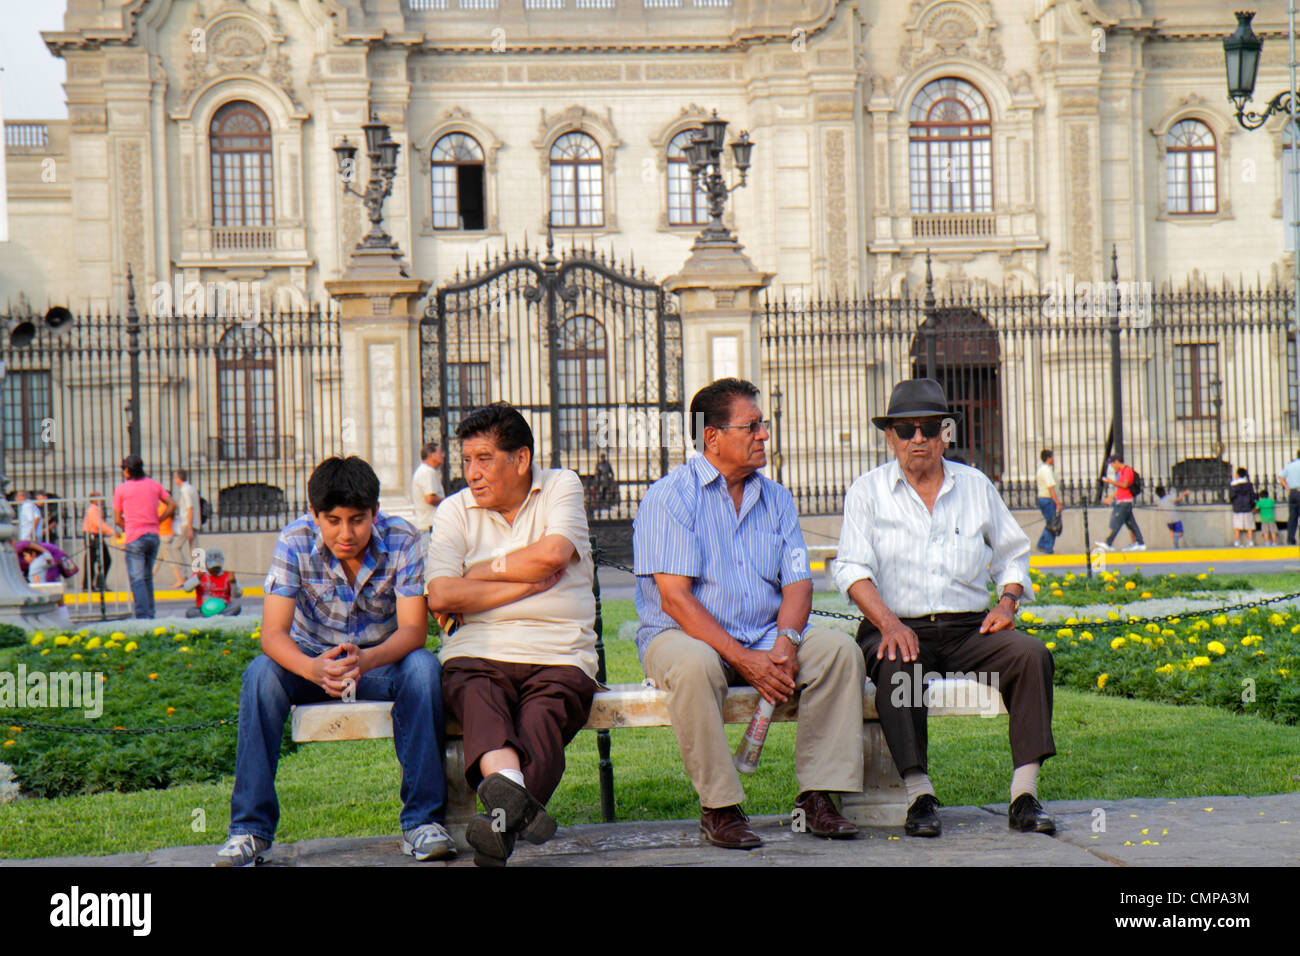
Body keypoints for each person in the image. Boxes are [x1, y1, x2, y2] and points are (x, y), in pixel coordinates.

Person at [634, 378, 865, 850]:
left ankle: (817, 798)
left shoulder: (776, 498)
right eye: (752, 426)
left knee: (839, 651)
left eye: (764, 425)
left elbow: (798, 584)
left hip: (763, 635)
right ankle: (720, 809)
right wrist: (744, 659)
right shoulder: (670, 496)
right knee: (695, 665)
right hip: (683, 636)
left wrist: (785, 644)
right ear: (712, 437)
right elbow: (675, 599)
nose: (764, 435)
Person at [835, 377, 1055, 838]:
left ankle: (1025, 795)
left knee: (1031, 657)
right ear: (890, 436)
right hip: (894, 624)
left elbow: (1013, 553)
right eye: (907, 429)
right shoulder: (867, 492)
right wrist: (890, 624)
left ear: (945, 434)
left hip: (970, 630)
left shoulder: (976, 486)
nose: (918, 438)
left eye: (929, 428)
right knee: (898, 671)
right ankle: (920, 795)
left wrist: (1009, 600)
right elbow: (852, 569)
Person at [215, 455, 451, 866]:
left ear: (375, 513)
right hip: (311, 663)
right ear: (314, 515)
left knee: (424, 668)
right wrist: (311, 668)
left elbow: (414, 631)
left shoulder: (404, 538)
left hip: (380, 661)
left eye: (358, 519)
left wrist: (368, 659)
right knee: (260, 675)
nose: (346, 533)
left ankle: (423, 823)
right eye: (334, 520)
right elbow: (272, 635)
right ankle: (249, 831)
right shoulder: (293, 540)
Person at [425, 403, 599, 867]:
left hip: (560, 652)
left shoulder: (560, 485)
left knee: (544, 714)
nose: (472, 473)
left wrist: (480, 573)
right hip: (479, 652)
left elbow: (554, 554)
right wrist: (524, 584)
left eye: (484, 458)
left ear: (520, 460)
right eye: (466, 461)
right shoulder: (453, 511)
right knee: (479, 695)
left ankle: (500, 820)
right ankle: (510, 816)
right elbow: (441, 595)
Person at [112, 456, 174, 619]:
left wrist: (129, 529)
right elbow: (172, 504)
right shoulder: (154, 485)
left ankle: (142, 615)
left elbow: (117, 519)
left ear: (127, 471)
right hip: (153, 535)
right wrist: (158, 520)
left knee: (137, 578)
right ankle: (150, 612)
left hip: (135, 537)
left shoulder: (121, 489)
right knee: (147, 577)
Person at [1097, 453, 1145, 552]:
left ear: (1117, 462)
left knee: (1117, 523)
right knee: (1132, 524)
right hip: (1122, 501)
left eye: (1112, 464)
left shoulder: (1127, 471)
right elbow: (1120, 489)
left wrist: (1111, 482)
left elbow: (1124, 485)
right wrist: (1110, 497)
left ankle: (1108, 543)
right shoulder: (1122, 472)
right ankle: (1140, 543)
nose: (1112, 467)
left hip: (1124, 502)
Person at [162, 469, 200, 588]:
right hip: (194, 523)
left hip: (187, 523)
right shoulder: (191, 488)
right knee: (194, 549)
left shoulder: (185, 490)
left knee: (175, 547)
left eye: (175, 478)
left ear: (179, 478)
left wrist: (188, 527)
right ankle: (198, 575)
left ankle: (182, 576)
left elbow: (190, 508)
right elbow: (185, 505)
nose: (174, 480)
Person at [183, 546, 242, 617]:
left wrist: (233, 583)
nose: (215, 571)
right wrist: (197, 578)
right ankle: (210, 617)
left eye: (217, 568)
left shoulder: (228, 575)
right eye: (212, 568)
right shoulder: (200, 574)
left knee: (236, 606)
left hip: (223, 607)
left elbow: (237, 595)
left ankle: (220, 617)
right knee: (191, 612)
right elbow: (186, 588)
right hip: (204, 608)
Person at [410, 443, 445, 543]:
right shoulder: (428, 472)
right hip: (430, 526)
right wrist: (448, 501)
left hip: (426, 524)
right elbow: (430, 499)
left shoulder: (423, 471)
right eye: (439, 453)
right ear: (431, 455)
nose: (442, 455)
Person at [82, 491, 115, 591]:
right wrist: (112, 532)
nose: (101, 499)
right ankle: (89, 584)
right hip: (92, 536)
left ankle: (98, 583)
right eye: (99, 497)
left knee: (103, 560)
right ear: (94, 500)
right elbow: (98, 523)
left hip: (97, 536)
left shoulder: (97, 510)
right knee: (92, 560)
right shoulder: (92, 510)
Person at [1035, 449, 1062, 554]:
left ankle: (1042, 545)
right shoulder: (1046, 470)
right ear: (1048, 458)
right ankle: (1047, 548)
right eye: (1052, 457)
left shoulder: (1044, 469)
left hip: (1045, 499)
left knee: (1050, 523)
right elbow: (1051, 488)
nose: (1053, 459)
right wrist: (1057, 503)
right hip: (1047, 499)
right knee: (1052, 525)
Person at [1154, 485, 1191, 549]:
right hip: (1175, 518)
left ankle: (1175, 545)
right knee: (1180, 533)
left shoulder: (1159, 501)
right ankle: (1176, 536)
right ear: (1164, 491)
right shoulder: (1168, 497)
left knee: (1171, 531)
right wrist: (1184, 493)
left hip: (1168, 520)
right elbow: (1177, 500)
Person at [1229, 467, 1256, 547]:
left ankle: (1237, 541)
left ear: (1237, 475)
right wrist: (1252, 505)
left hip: (1237, 507)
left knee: (1237, 526)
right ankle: (1250, 541)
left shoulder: (1233, 484)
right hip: (1247, 507)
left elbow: (1231, 496)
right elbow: (1252, 496)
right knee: (1249, 526)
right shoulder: (1249, 485)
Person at [1278, 451, 1300, 545]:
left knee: (1292, 517)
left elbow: (1280, 476)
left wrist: (1287, 487)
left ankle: (1290, 539)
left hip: (1293, 492)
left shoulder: (1290, 465)